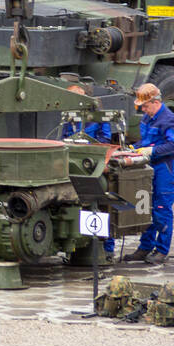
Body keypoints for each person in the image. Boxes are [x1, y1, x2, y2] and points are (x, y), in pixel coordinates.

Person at [121, 82, 174, 266]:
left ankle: (161, 251)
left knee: (161, 210)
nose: (144, 110)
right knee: (146, 208)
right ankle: (145, 247)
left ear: (156, 102)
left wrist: (151, 151)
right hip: (150, 167)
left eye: (146, 106)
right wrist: (134, 148)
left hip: (166, 167)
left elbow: (173, 145)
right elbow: (147, 140)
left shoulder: (169, 119)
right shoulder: (148, 119)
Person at [61, 84, 115, 258]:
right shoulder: (69, 116)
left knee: (101, 206)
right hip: (75, 165)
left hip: (93, 165)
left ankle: (107, 248)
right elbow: (63, 137)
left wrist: (88, 146)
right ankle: (79, 246)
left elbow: (105, 139)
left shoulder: (98, 116)